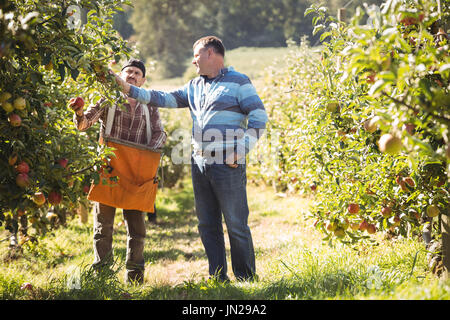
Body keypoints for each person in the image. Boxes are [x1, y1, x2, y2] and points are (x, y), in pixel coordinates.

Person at [113, 36, 268, 282]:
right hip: (200, 162)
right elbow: (162, 98)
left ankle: (246, 278)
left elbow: (259, 116)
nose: (193, 60)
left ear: (210, 54)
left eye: (196, 54)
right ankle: (218, 277)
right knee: (207, 225)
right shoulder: (194, 86)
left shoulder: (239, 82)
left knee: (236, 224)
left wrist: (240, 151)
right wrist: (129, 89)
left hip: (227, 163)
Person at [71, 58, 167, 284]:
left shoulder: (150, 105)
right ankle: (102, 277)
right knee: (103, 227)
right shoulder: (108, 99)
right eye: (128, 72)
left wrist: (147, 155)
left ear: (143, 81)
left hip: (136, 173)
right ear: (120, 77)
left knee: (137, 229)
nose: (132, 75)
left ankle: (134, 278)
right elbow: (85, 124)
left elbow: (160, 133)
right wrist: (79, 112)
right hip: (110, 169)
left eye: (136, 73)